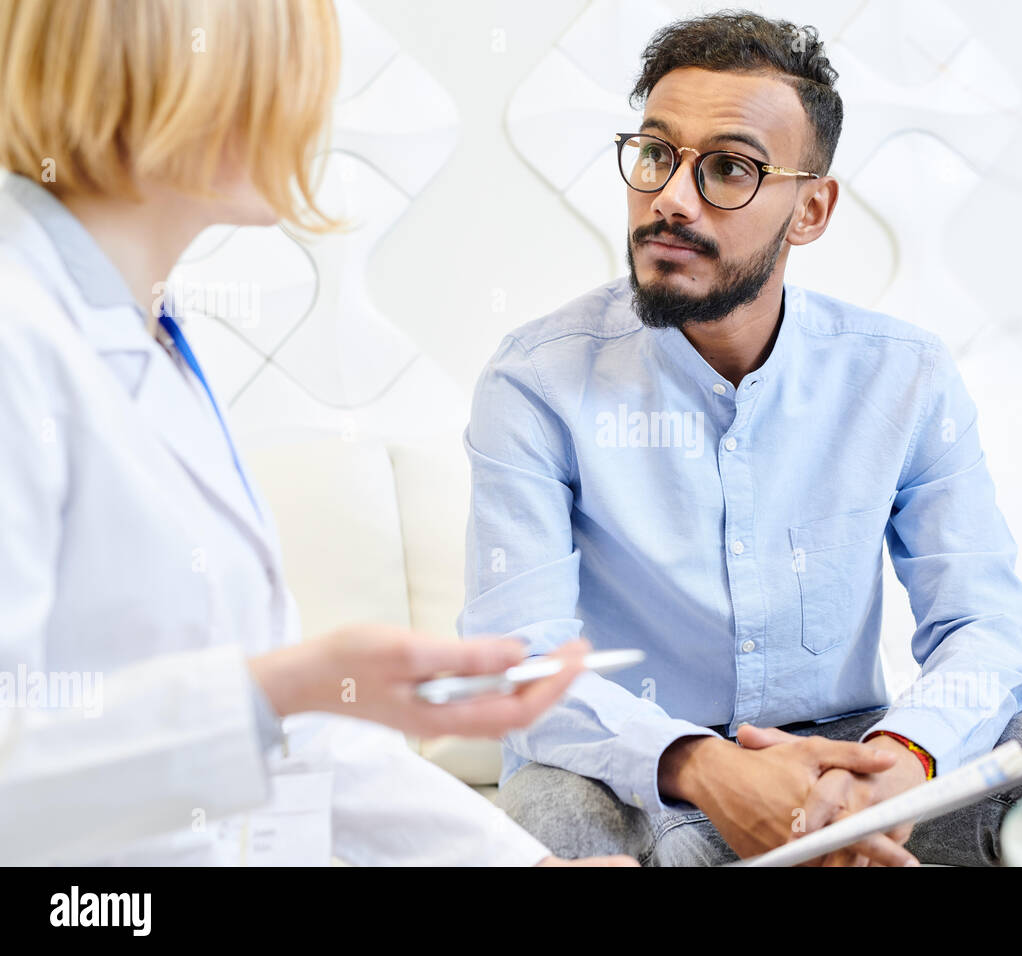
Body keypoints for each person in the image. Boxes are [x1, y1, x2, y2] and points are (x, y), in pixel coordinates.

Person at [459, 11, 1022, 867]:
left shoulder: (903, 376)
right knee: (547, 820)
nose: (669, 196)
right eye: (656, 154)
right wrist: (709, 769)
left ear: (811, 210)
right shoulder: (534, 382)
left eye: (728, 168)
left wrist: (897, 764)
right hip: (647, 780)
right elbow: (520, 666)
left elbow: (984, 626)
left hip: (850, 761)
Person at [0, 0, 628, 867]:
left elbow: (294, 742)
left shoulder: (142, 332)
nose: (309, 111)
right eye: (286, 72)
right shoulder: (18, 333)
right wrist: (281, 687)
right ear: (178, 76)